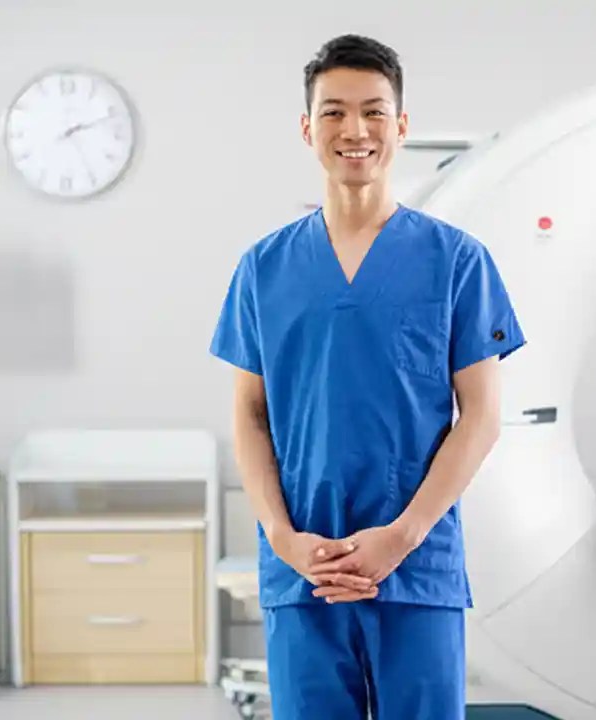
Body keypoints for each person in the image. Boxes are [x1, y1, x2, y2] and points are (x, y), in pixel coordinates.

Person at [209, 34, 525, 720]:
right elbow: (250, 417)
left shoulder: (456, 262)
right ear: (307, 128)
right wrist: (284, 539)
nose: (354, 130)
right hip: (306, 570)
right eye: (334, 112)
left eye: (373, 111)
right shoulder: (263, 269)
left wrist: (401, 537)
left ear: (400, 126)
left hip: (416, 569)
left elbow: (481, 417)